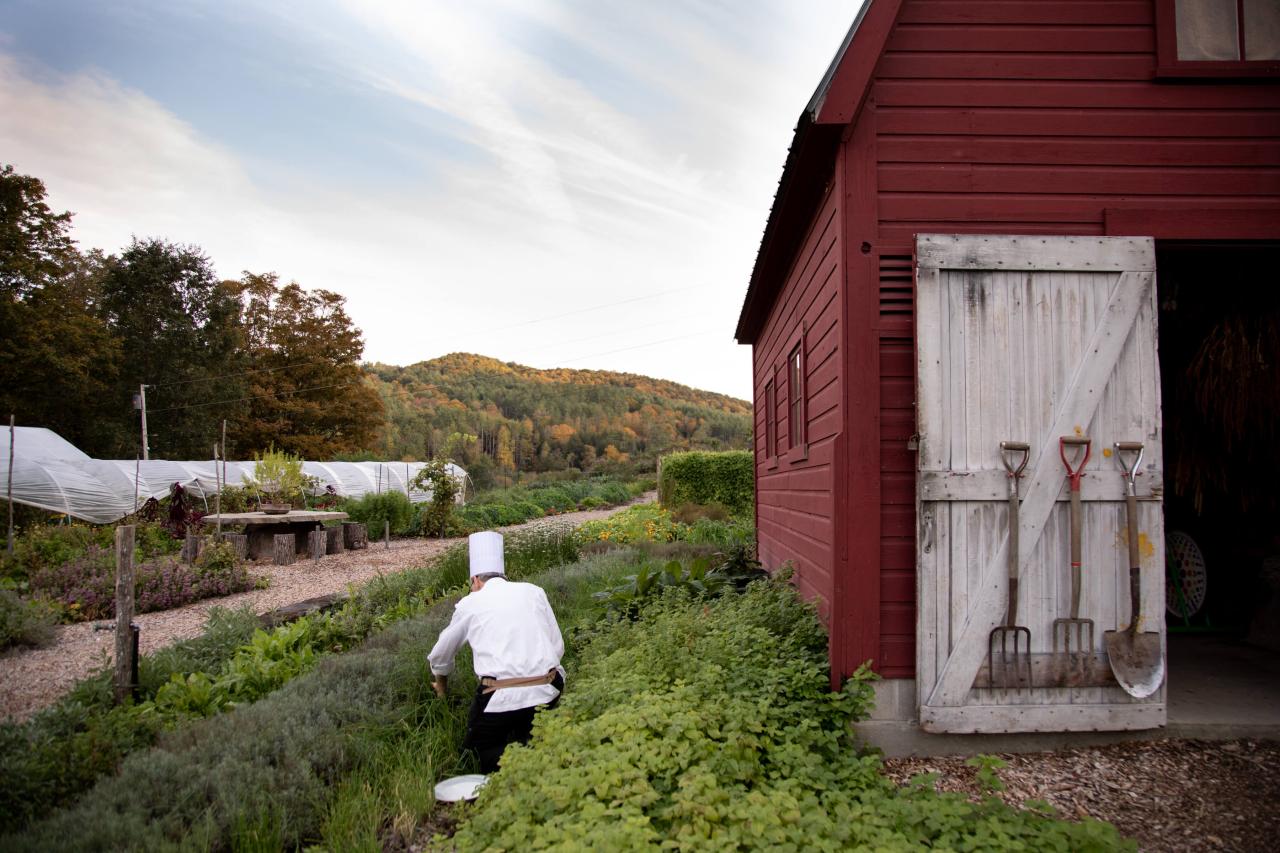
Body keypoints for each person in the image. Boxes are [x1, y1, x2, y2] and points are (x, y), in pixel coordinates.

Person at [428, 530, 565, 773]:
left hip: (499, 697)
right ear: (502, 574)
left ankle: (520, 766)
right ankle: (541, 753)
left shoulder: (471, 602)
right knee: (534, 734)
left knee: (477, 753)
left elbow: (441, 653)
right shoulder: (534, 591)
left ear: (476, 580)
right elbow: (557, 646)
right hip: (548, 688)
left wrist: (441, 685)